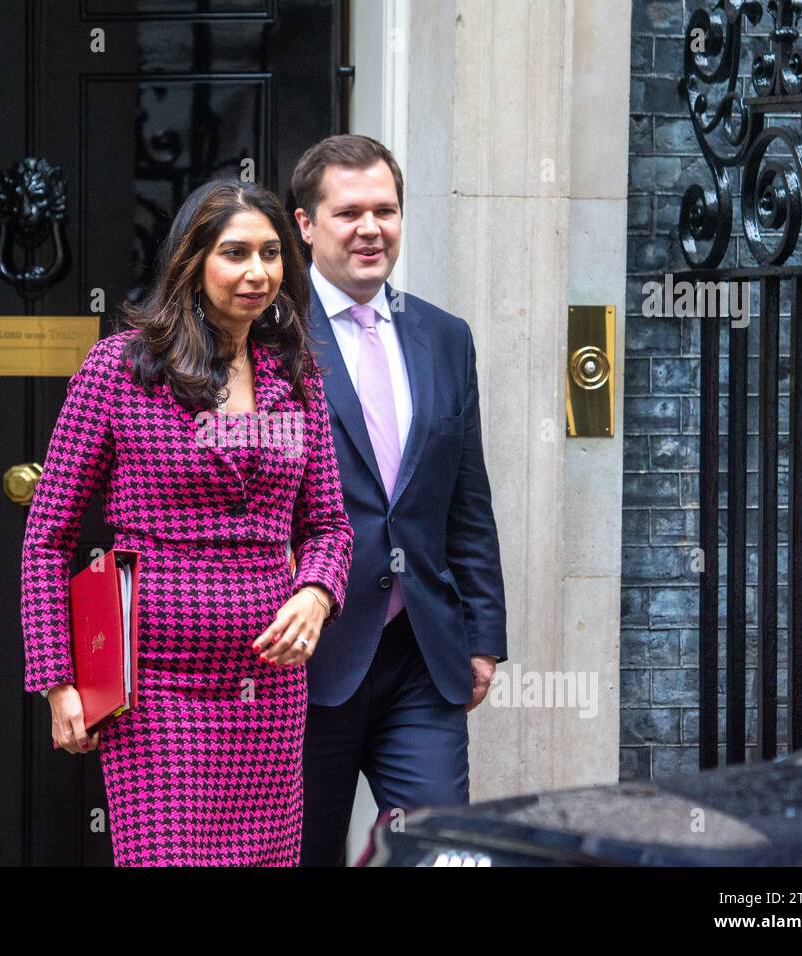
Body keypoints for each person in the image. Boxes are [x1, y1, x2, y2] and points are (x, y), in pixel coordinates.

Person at [21, 178, 354, 866]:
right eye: (235, 253)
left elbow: (328, 525)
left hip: (268, 687)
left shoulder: (296, 376)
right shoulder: (117, 370)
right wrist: (59, 680)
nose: (258, 273)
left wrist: (317, 593)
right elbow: (48, 536)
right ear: (192, 260)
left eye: (271, 254)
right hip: (155, 689)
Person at [290, 134, 508, 866]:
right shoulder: (268, 338)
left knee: (440, 852)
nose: (370, 228)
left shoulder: (445, 336)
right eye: (348, 211)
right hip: (306, 659)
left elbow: (466, 498)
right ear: (305, 225)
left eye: (385, 209)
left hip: (423, 652)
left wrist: (483, 634)